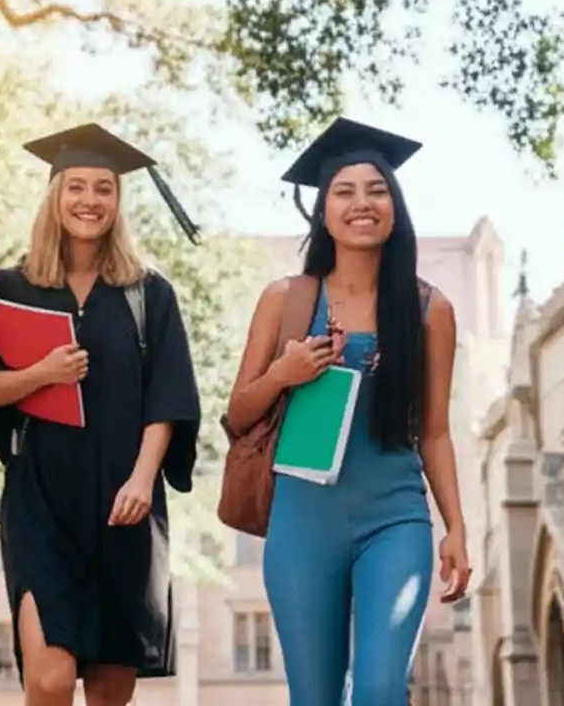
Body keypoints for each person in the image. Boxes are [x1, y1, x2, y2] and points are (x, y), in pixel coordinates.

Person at [224, 118, 471, 705]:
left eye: (377, 190)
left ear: (395, 207)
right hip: (302, 520)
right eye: (345, 192)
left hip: (396, 518)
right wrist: (285, 374)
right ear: (324, 212)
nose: (363, 204)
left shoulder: (430, 310)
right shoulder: (286, 299)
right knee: (315, 698)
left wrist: (456, 526)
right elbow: (238, 415)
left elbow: (434, 432)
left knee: (382, 691)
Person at [0, 123, 202, 706]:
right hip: (41, 498)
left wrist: (144, 479)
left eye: (103, 188)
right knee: (47, 681)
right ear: (54, 196)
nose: (90, 200)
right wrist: (41, 375)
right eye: (76, 187)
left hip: (125, 501)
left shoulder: (148, 294)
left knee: (110, 691)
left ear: (118, 201)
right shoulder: (7, 289)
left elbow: (169, 396)